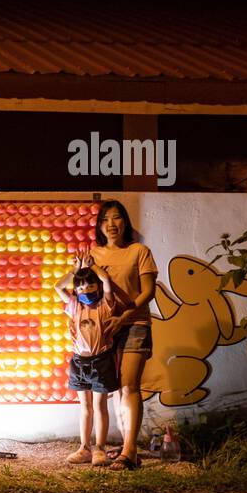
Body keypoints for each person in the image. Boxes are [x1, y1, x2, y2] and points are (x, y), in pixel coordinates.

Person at [89, 200, 158, 470]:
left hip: (135, 324)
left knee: (129, 385)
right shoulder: (93, 255)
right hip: (106, 329)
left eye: (117, 218)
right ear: (99, 226)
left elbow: (148, 291)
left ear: (125, 222)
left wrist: (126, 316)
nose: (111, 224)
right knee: (112, 389)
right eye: (105, 219)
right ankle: (112, 446)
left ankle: (130, 451)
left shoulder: (139, 251)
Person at [55, 254, 122, 467]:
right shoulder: (75, 306)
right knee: (84, 406)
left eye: (90, 285)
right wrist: (76, 271)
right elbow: (58, 287)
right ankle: (84, 447)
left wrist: (93, 268)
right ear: (76, 291)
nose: (86, 290)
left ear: (97, 287)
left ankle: (99, 448)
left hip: (101, 360)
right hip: (79, 363)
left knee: (99, 405)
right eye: (81, 288)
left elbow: (107, 282)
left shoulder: (104, 305)